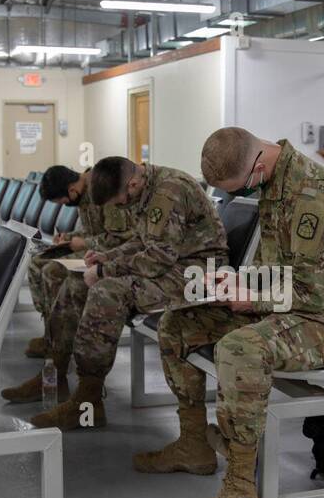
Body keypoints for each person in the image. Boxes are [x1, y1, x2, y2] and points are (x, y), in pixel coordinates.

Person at [135, 127, 324, 498]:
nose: (237, 198)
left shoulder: (311, 193)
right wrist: (233, 286)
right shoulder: (273, 181)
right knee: (178, 322)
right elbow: (278, 271)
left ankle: (240, 488)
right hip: (281, 303)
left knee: (240, 347)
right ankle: (194, 445)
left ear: (257, 165)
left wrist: (251, 298)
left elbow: (314, 293)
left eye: (237, 189)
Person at [27, 155, 226, 430]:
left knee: (106, 291)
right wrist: (107, 257)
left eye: (120, 201)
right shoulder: (145, 187)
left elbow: (157, 257)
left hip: (198, 275)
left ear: (132, 183)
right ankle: (57, 371)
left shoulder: (168, 192)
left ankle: (89, 400)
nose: (121, 206)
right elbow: (142, 242)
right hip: (175, 266)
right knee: (78, 282)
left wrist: (106, 271)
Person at [2, 164, 130, 400]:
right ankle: (52, 347)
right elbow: (94, 232)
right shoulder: (84, 194)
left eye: (62, 201)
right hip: (97, 253)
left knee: (55, 272)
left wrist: (82, 244)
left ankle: (60, 368)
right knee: (41, 261)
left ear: (72, 189)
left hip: (115, 258)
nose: (64, 206)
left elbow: (117, 239)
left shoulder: (102, 189)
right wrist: (69, 239)